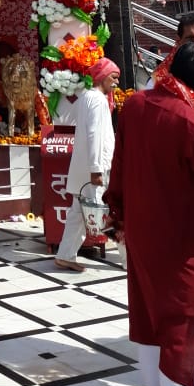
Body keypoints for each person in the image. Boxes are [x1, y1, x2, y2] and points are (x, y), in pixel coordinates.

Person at [105, 41, 194, 386]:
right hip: (180, 248)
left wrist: (118, 211)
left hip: (144, 237)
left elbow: (119, 166)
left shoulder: (135, 106)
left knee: (154, 322)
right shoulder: (192, 123)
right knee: (187, 337)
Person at [54, 57, 119, 273]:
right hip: (95, 168)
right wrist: (96, 170)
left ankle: (65, 255)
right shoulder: (98, 100)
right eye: (113, 77)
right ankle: (130, 259)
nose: (116, 82)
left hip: (86, 166)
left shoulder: (86, 97)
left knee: (78, 212)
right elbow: (94, 135)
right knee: (109, 212)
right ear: (101, 76)